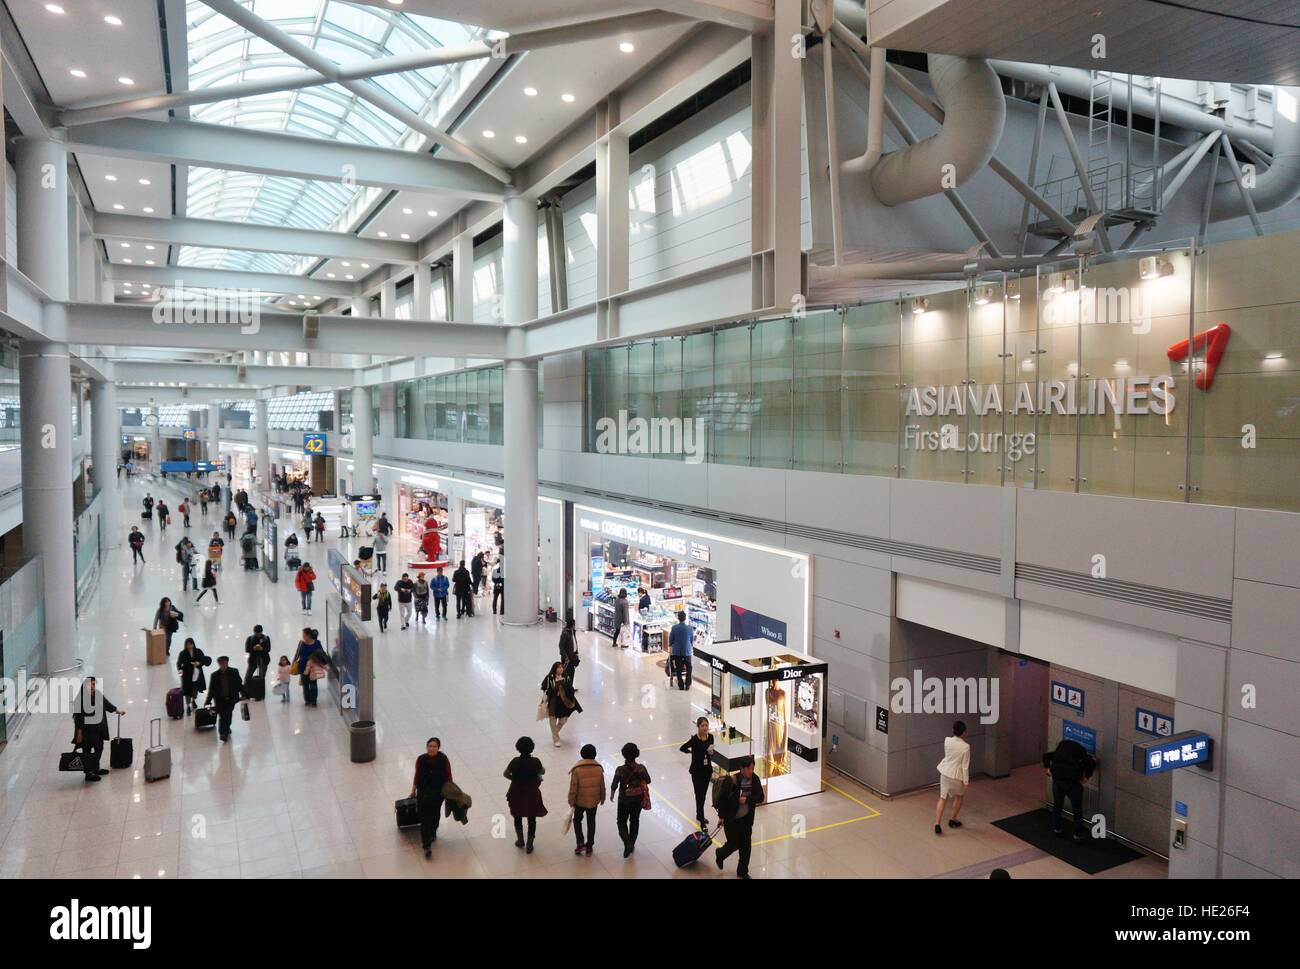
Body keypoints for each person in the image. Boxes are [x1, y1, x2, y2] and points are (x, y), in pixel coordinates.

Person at [715, 756, 764, 879]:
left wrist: (747, 799)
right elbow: (722, 799)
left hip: (747, 820)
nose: (751, 771)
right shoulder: (731, 781)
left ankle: (742, 872)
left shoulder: (755, 780)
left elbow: (760, 797)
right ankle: (720, 853)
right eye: (749, 769)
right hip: (732, 820)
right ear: (742, 769)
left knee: (746, 847)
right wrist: (721, 817)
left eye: (753, 768)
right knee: (733, 844)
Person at [1044, 737, 1097, 844]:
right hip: (1073, 785)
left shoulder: (1059, 754)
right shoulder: (1079, 756)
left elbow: (1046, 756)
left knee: (1057, 806)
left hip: (1058, 783)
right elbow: (1091, 763)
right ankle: (1077, 835)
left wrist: (1048, 768)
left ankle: (1057, 829)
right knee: (1077, 810)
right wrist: (1086, 777)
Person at [72, 677, 123, 781]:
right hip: (87, 730)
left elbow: (107, 704)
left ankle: (95, 768)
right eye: (90, 685)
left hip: (99, 728)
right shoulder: (80, 699)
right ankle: (89, 772)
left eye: (94, 684)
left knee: (99, 747)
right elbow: (77, 718)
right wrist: (79, 733)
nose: (92, 687)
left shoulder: (98, 694)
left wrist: (117, 710)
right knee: (87, 750)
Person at [410, 737, 453, 859]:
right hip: (423, 794)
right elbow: (417, 776)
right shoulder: (421, 759)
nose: (431, 748)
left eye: (434, 746)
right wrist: (413, 790)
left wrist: (450, 791)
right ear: (426, 747)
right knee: (424, 821)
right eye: (429, 746)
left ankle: (433, 831)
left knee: (435, 815)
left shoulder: (443, 759)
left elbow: (449, 776)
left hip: (437, 794)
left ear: (438, 748)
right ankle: (426, 846)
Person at [504, 736, 547, 853]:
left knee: (517, 815)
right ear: (532, 748)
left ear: (518, 748)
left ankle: (520, 840)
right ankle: (530, 844)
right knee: (531, 817)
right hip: (532, 793)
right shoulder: (535, 761)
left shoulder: (515, 761)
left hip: (516, 792)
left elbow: (506, 774)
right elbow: (543, 771)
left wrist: (514, 779)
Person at [610, 742, 651, 857]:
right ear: (636, 754)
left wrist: (612, 795)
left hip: (624, 799)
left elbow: (614, 784)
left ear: (623, 754)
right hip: (638, 799)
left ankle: (627, 843)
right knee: (635, 820)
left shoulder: (620, 769)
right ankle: (632, 844)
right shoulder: (641, 768)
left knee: (621, 822)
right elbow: (648, 780)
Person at [567, 744, 606, 857]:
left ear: (582, 755)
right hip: (593, 801)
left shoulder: (577, 769)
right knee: (591, 822)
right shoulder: (599, 768)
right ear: (595, 755)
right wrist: (602, 797)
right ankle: (589, 845)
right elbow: (602, 786)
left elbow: (573, 787)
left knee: (577, 820)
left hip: (580, 801)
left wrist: (571, 800)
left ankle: (580, 843)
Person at [934, 720, 971, 835]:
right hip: (957, 775)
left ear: (953, 730)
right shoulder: (966, 747)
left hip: (945, 772)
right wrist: (966, 781)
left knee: (942, 797)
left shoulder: (947, 741)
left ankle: (937, 823)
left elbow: (948, 756)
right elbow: (965, 766)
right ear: (964, 732)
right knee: (959, 796)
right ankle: (953, 819)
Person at [680, 716, 716, 828]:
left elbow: (712, 752)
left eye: (706, 725)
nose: (705, 728)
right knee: (699, 795)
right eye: (702, 726)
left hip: (707, 771)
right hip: (697, 771)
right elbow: (682, 748)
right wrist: (691, 752)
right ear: (698, 727)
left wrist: (711, 753)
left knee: (703, 795)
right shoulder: (694, 739)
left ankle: (699, 815)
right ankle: (701, 819)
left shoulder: (711, 737)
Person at [203, 655, 243, 742]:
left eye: (225, 663)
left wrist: (245, 694)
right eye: (221, 663)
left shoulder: (234, 672)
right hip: (220, 700)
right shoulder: (214, 675)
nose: (223, 665)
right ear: (219, 664)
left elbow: (239, 684)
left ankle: (227, 727)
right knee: (222, 717)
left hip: (231, 698)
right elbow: (212, 689)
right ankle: (223, 734)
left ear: (227, 663)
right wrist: (208, 700)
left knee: (228, 715)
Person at [541, 661, 580, 747]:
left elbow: (570, 688)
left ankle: (555, 733)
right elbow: (545, 689)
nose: (561, 669)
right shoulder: (549, 678)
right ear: (555, 669)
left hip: (564, 701)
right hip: (553, 701)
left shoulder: (566, 677)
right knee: (552, 721)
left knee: (563, 720)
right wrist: (543, 701)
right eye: (559, 667)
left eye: (562, 667)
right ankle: (556, 739)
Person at [292, 628, 328, 706]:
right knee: (305, 684)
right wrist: (293, 664)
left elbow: (321, 653)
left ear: (308, 635)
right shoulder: (301, 643)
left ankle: (314, 700)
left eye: (304, 635)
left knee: (313, 684)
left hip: (313, 668)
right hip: (302, 666)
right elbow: (297, 654)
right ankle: (307, 700)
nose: (303, 636)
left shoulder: (317, 643)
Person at [176, 637, 211, 714]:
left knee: (195, 689)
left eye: (191, 644)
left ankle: (193, 700)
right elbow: (179, 663)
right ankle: (188, 706)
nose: (189, 646)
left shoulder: (198, 651)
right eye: (188, 644)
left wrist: (199, 663)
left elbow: (203, 660)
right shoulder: (183, 653)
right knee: (187, 691)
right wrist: (180, 672)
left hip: (196, 674)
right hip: (186, 675)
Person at [668, 610, 694, 690]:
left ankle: (681, 685)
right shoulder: (690, 628)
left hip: (677, 652)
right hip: (687, 651)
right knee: (689, 668)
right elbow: (691, 640)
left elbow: (671, 640)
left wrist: (672, 644)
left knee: (679, 669)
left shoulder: (674, 628)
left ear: (678, 618)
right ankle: (688, 684)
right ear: (685, 618)